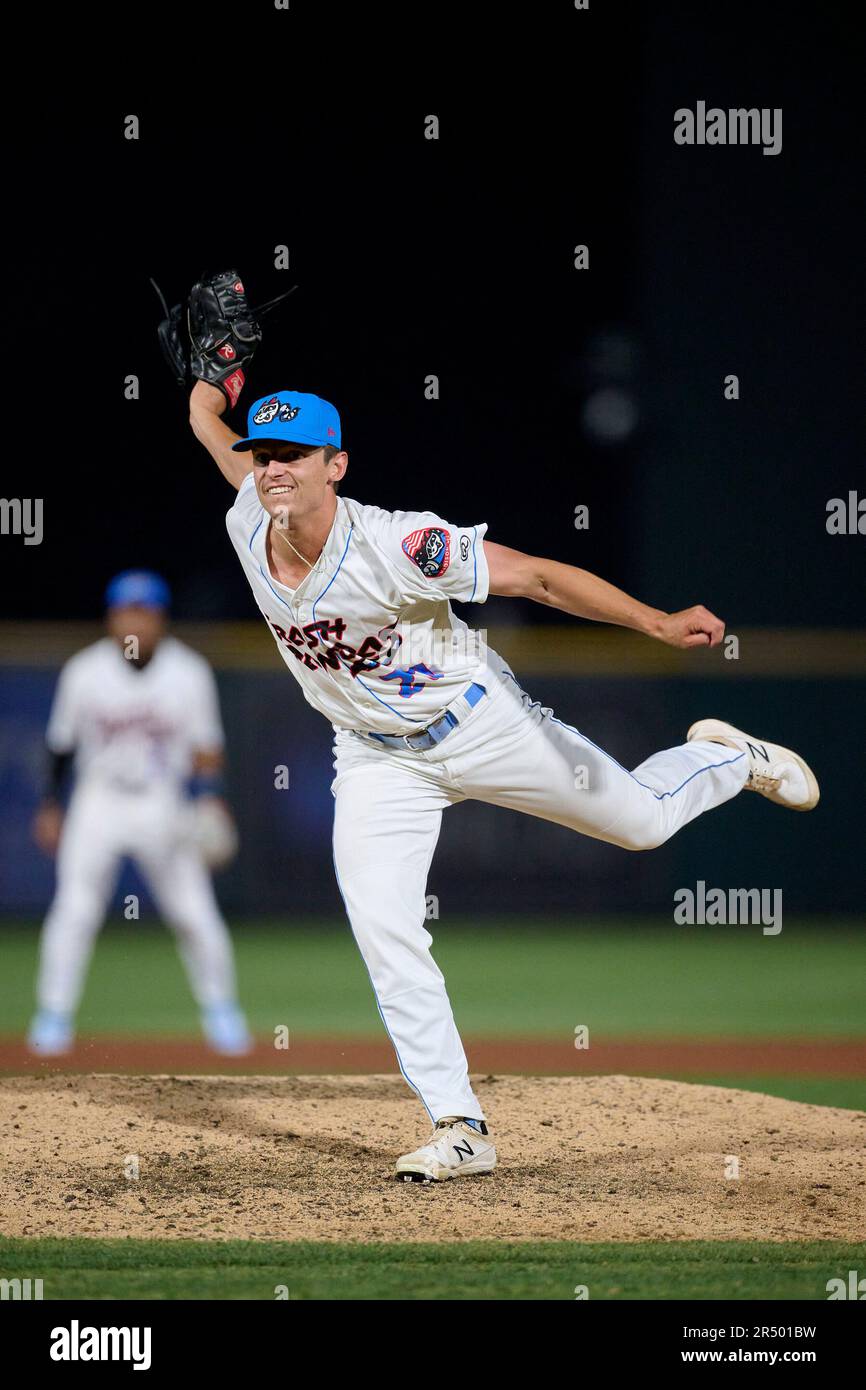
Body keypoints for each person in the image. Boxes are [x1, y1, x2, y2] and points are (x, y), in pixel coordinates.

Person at [189, 381, 818, 1182]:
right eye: (265, 455)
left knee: (642, 825)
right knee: (384, 927)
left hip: (482, 723)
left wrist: (655, 623)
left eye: (295, 455)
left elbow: (539, 580)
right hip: (377, 757)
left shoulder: (401, 544)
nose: (273, 469)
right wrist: (208, 390)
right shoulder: (251, 513)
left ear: (335, 464)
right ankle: (460, 1126)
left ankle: (730, 757)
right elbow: (215, 438)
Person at [28, 570, 252, 1058]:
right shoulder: (84, 671)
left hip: (162, 802)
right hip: (98, 802)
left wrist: (210, 798)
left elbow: (207, 748)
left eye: (144, 612)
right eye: (126, 611)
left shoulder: (188, 672)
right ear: (111, 619)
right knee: (75, 911)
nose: (135, 621)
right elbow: (61, 746)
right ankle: (53, 1017)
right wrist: (50, 804)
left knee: (194, 914)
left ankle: (222, 1015)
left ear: (160, 620)